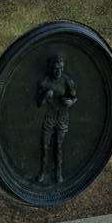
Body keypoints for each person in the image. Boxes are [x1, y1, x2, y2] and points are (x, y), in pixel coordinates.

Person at [35, 54, 77, 184]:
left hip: (63, 116)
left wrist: (71, 103)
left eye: (61, 68)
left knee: (58, 145)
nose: (58, 71)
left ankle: (58, 171)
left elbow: (74, 97)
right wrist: (44, 95)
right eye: (56, 68)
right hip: (50, 116)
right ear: (50, 68)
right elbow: (38, 104)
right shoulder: (45, 82)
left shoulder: (67, 81)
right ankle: (42, 171)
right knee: (45, 145)